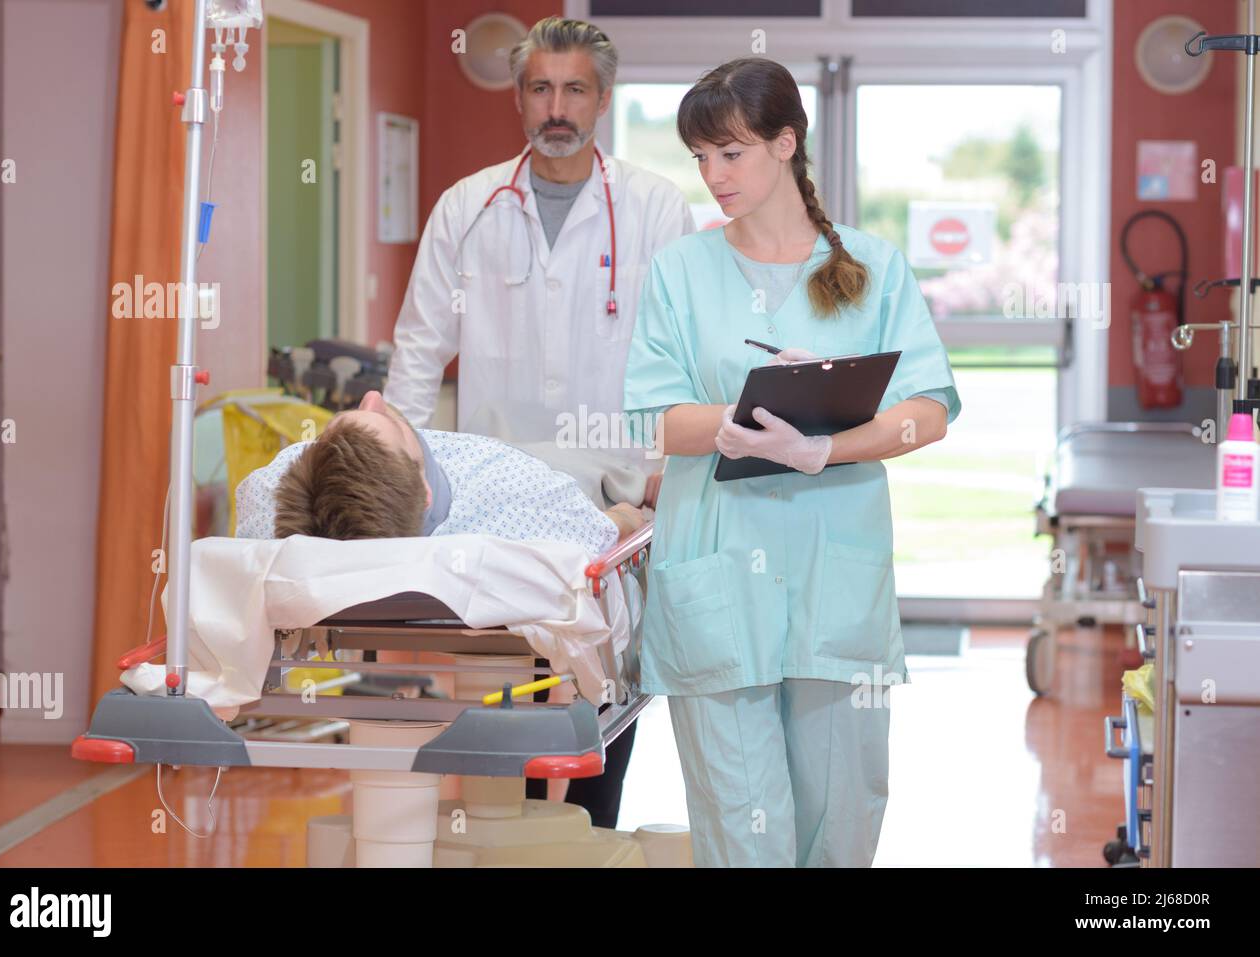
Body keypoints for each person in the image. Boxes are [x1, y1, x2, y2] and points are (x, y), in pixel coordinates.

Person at [621, 57, 962, 867]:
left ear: (786, 143)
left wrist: (823, 447)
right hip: (716, 582)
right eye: (699, 156)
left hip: (833, 585)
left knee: (841, 824)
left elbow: (929, 412)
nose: (712, 175)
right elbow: (653, 417)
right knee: (742, 832)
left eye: (729, 153)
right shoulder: (679, 269)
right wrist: (745, 418)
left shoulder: (871, 269)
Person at [382, 16, 694, 825]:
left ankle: (590, 830)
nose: (557, 107)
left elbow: (682, 353)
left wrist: (668, 462)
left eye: (574, 89)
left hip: (614, 482)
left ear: (603, 96)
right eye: (540, 88)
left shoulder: (656, 208)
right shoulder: (469, 207)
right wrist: (396, 476)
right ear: (520, 96)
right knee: (510, 673)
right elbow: (419, 349)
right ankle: (511, 829)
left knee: (608, 678)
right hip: (500, 480)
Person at [234, 391, 647, 550]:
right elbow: (599, 533)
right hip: (558, 475)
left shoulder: (265, 500)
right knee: (613, 492)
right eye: (393, 425)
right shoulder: (515, 490)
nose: (373, 396)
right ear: (424, 492)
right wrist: (621, 518)